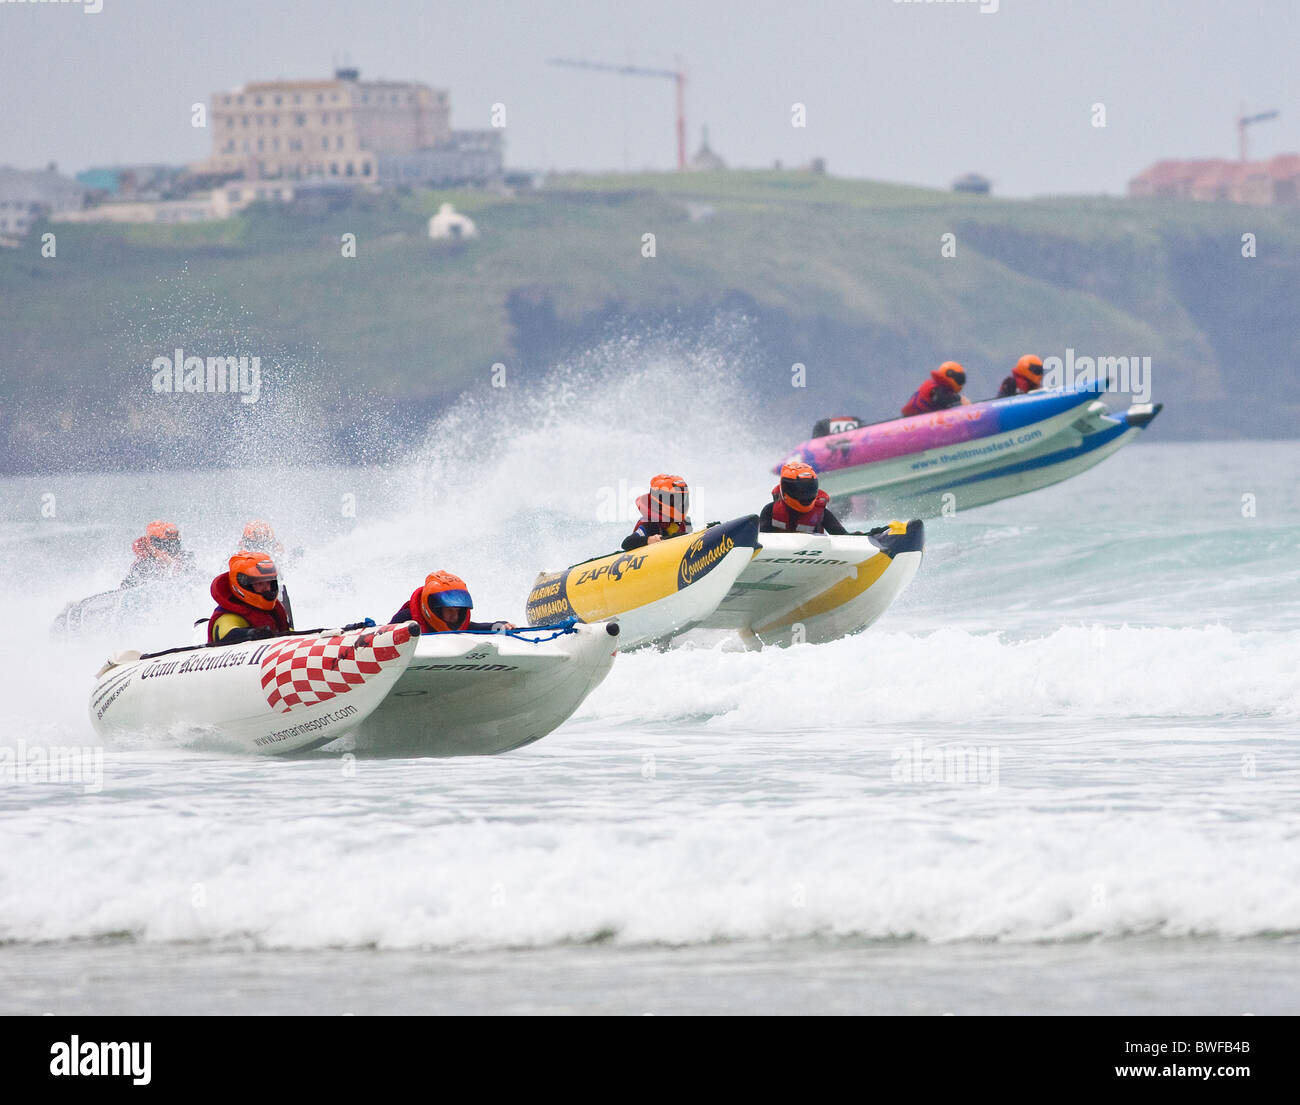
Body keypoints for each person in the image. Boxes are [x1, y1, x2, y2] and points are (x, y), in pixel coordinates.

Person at [207, 552, 293, 645]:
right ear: (243, 584)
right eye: (259, 583)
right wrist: (252, 634)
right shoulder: (228, 615)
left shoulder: (274, 611)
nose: (267, 589)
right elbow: (225, 634)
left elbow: (289, 632)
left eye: (268, 583)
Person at [391, 571, 516, 633]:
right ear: (436, 608)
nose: (455, 616)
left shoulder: (459, 624)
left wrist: (502, 625)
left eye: (458, 611)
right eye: (450, 610)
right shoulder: (407, 617)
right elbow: (382, 636)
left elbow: (479, 628)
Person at [759, 462, 847, 535]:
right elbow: (762, 539)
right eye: (800, 490)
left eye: (810, 489)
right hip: (776, 554)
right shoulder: (770, 510)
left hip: (814, 554)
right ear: (785, 489)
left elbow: (843, 537)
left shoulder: (821, 513)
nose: (805, 495)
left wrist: (857, 537)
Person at [622, 474, 692, 550]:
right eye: (675, 500)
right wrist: (648, 540)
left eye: (682, 499)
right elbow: (626, 543)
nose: (680, 504)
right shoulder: (649, 524)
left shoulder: (685, 522)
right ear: (661, 500)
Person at [121, 520, 198, 588]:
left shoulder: (186, 559)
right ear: (151, 544)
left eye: (174, 544)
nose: (170, 550)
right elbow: (127, 591)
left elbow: (196, 581)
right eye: (164, 545)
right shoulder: (143, 566)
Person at [902, 362, 970, 417]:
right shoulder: (937, 388)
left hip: (912, 419)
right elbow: (939, 399)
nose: (961, 383)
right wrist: (959, 399)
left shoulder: (938, 386)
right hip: (912, 421)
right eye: (960, 379)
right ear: (950, 375)